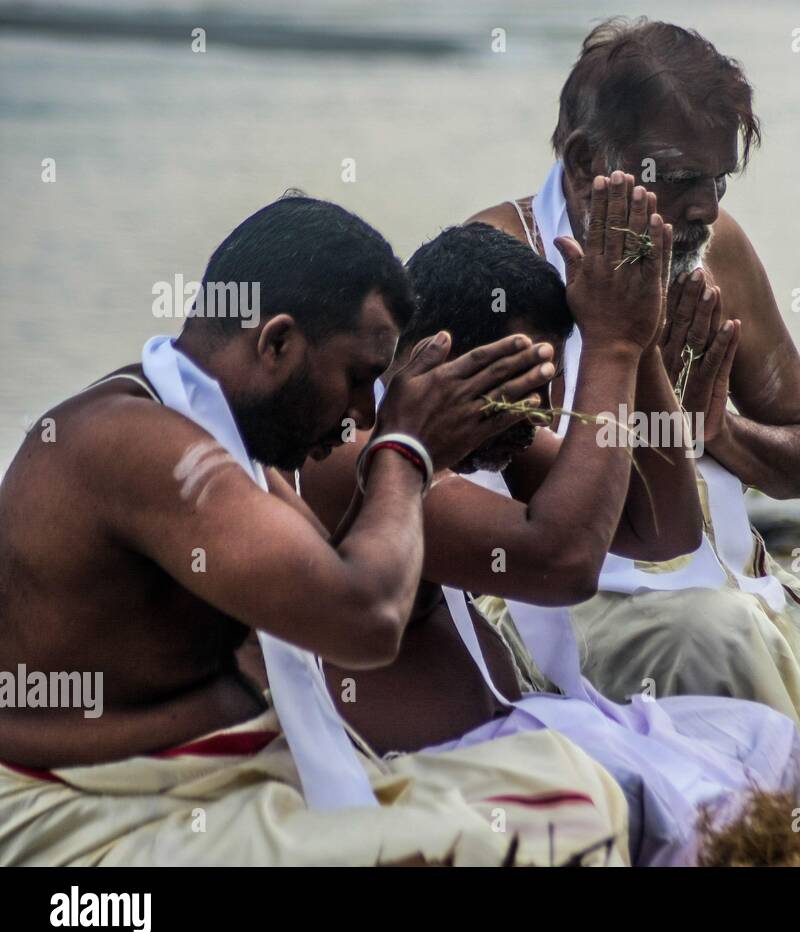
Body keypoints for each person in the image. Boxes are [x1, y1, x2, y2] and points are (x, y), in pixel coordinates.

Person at [467, 18, 800, 838]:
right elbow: (574, 533)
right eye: (681, 178)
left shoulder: (712, 246)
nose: (704, 208)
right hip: (568, 617)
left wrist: (715, 431)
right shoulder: (498, 267)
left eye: (720, 181)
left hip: (741, 594)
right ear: (583, 162)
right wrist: (631, 354)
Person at [0, 195, 629, 866]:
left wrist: (419, 454)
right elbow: (365, 618)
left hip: (222, 790)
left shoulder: (219, 436)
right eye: (359, 377)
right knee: (531, 832)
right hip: (85, 824)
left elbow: (339, 582)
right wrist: (406, 453)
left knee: (566, 782)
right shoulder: (135, 444)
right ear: (275, 342)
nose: (365, 408)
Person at [299, 177, 800, 866]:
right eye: (528, 378)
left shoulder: (489, 431)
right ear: (448, 358)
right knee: (673, 801)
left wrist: (643, 348)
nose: (546, 409)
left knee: (763, 740)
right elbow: (563, 561)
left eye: (553, 380)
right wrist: (609, 346)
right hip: (430, 777)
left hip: (523, 733)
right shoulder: (354, 459)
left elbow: (662, 530)